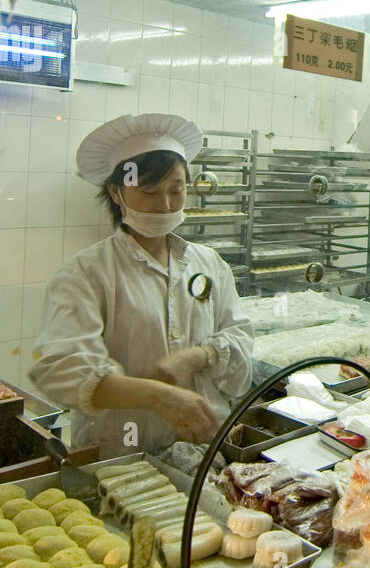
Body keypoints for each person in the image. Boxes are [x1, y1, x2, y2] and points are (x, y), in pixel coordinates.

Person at [29, 114, 254, 457]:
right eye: (149, 191)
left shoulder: (210, 264)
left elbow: (239, 338)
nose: (164, 204)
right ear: (116, 192)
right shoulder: (86, 274)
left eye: (176, 190)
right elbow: (61, 368)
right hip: (124, 456)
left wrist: (199, 355)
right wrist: (158, 396)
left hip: (205, 450)